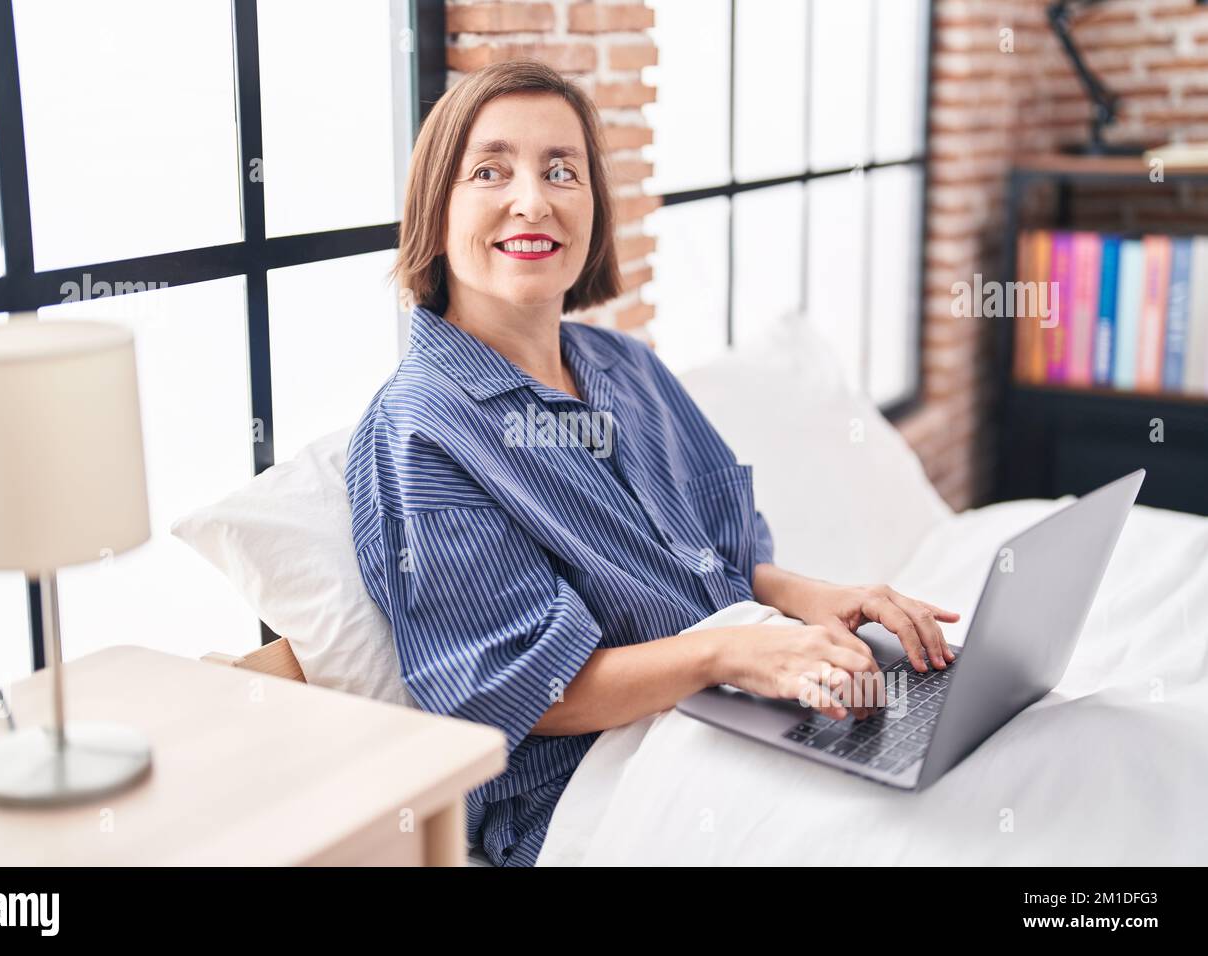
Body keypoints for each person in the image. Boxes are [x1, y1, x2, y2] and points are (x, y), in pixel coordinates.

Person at [345, 60, 958, 867]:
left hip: (734, 706)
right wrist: (730, 653)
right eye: (490, 171)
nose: (533, 199)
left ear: (593, 207)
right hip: (594, 791)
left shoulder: (624, 367)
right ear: (435, 207)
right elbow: (513, 690)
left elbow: (724, 556)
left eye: (561, 170)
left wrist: (817, 599)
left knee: (998, 764)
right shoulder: (421, 432)